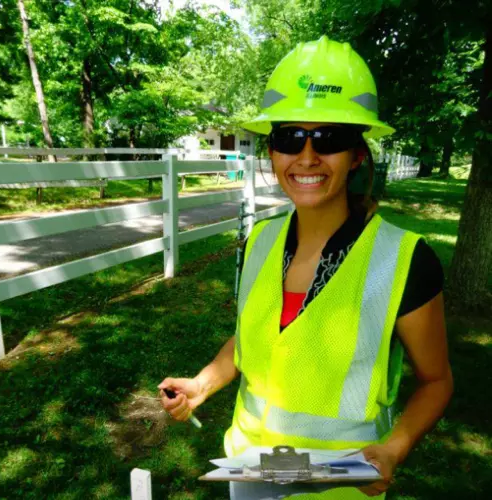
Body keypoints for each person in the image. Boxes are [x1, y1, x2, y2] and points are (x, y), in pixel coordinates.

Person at [159, 36, 453, 499]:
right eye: (292, 137)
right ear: (273, 151)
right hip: (250, 472)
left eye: (330, 138)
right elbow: (256, 336)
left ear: (357, 154)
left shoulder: (405, 260)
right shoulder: (261, 240)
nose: (308, 155)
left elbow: (436, 381)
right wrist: (201, 385)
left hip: (341, 485)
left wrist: (395, 448)